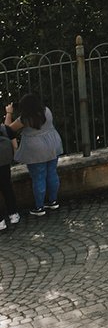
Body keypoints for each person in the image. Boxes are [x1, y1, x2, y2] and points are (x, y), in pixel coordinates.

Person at [5, 96, 60, 217]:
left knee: (38, 177)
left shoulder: (24, 119)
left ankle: (39, 207)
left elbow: (7, 130)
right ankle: (53, 201)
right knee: (52, 173)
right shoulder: (47, 111)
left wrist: (9, 113)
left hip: (35, 150)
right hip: (52, 144)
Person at [0, 96, 18, 230]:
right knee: (7, 188)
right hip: (4, 163)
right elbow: (14, 145)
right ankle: (13, 214)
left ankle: (0, 221)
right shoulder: (4, 129)